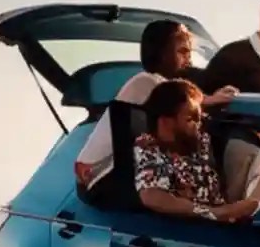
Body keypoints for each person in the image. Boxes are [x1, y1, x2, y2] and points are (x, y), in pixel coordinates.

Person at [75, 19, 236, 190]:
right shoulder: (145, 82)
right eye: (182, 52)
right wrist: (214, 99)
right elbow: (178, 98)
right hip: (98, 174)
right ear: (160, 53)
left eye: (190, 53)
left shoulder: (161, 86)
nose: (188, 60)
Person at [133, 79, 259, 222]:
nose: (198, 125)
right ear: (166, 122)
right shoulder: (149, 147)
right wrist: (214, 213)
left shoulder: (198, 142)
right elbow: (151, 195)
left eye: (199, 118)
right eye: (190, 119)